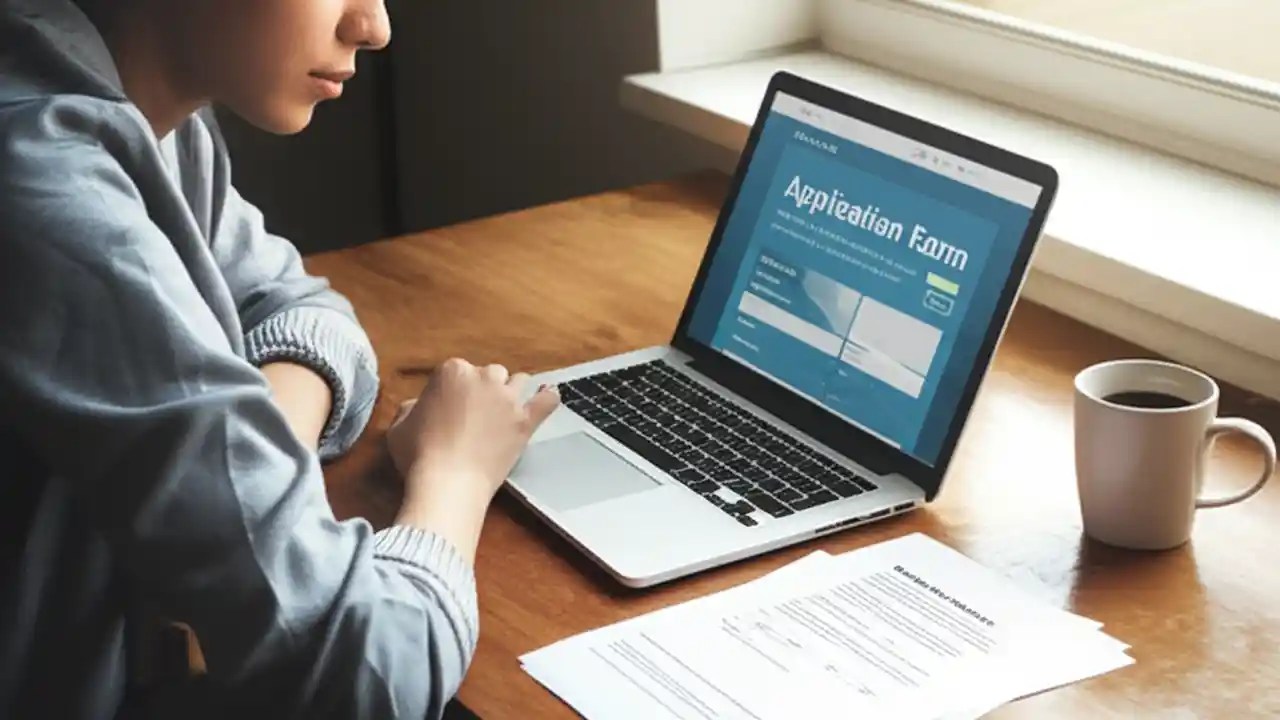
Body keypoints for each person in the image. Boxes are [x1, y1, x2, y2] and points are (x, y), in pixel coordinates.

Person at [0, 0, 560, 717]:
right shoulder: (47, 180)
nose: (374, 25)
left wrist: (262, 464)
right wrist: (456, 473)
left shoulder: (159, 126)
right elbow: (370, 676)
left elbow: (304, 308)